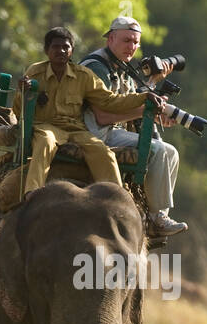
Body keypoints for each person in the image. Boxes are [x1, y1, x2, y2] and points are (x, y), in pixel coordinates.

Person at [14, 27, 165, 198]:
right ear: (47, 50)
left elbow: (110, 100)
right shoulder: (35, 72)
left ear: (72, 51)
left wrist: (144, 97)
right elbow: (18, 110)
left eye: (66, 47)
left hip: (76, 129)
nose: (61, 51)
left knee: (102, 151)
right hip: (46, 126)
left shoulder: (83, 75)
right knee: (45, 142)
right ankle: (32, 193)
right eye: (56, 47)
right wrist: (23, 92)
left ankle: (117, 198)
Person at [80, 16, 187, 236]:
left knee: (172, 152)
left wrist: (157, 115)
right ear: (111, 38)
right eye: (127, 40)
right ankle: (157, 218)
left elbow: (129, 104)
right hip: (91, 132)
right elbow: (101, 116)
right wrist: (145, 111)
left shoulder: (122, 66)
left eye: (136, 42)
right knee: (157, 150)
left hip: (109, 131)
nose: (132, 47)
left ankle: (158, 214)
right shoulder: (97, 67)